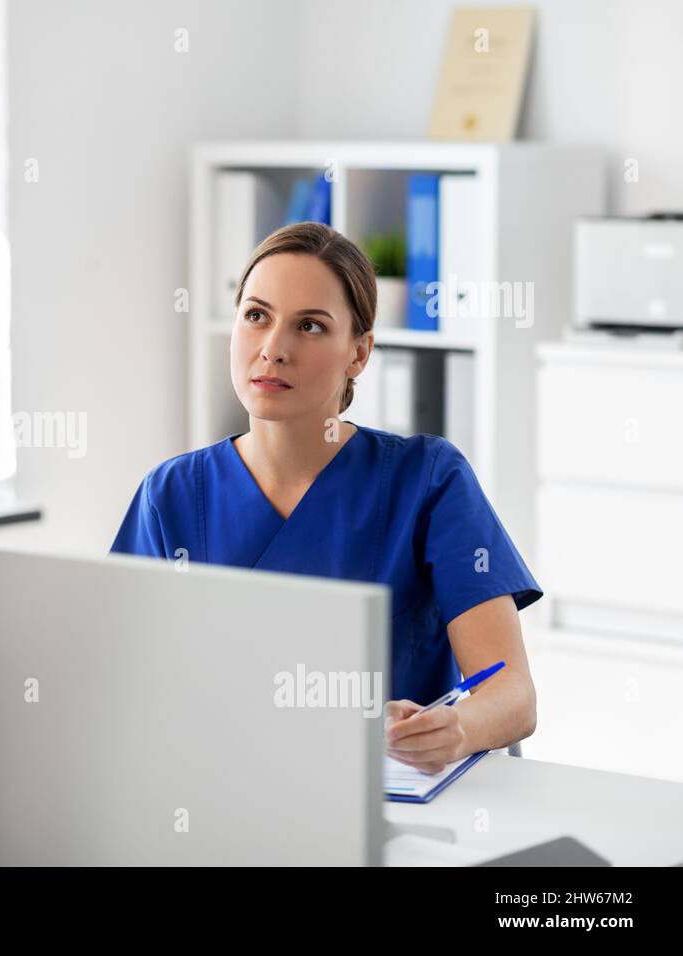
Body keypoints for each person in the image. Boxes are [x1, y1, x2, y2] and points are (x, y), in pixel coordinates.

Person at [111, 222, 540, 774]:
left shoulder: (428, 480)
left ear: (358, 353)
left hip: (388, 801)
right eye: (256, 315)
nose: (273, 349)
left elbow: (514, 695)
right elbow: (121, 681)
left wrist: (456, 729)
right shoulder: (170, 495)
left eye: (310, 326)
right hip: (217, 790)